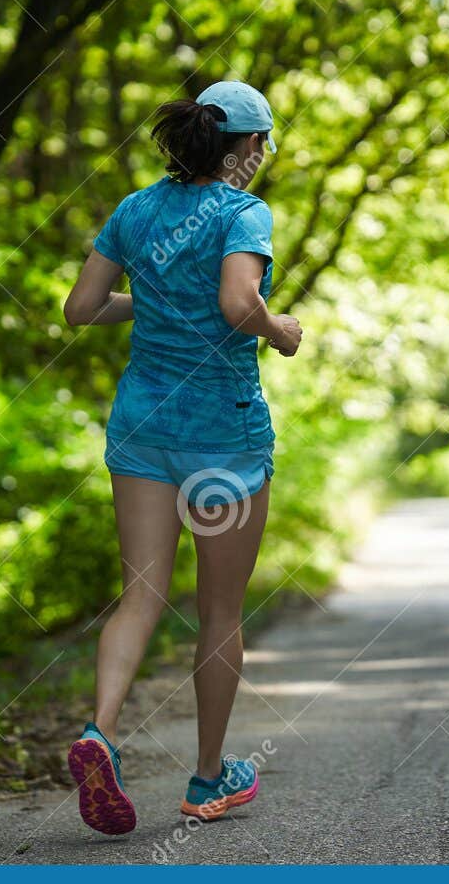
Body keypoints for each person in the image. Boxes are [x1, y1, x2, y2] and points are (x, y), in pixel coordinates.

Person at [61, 81, 301, 835]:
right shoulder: (242, 213)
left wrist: (158, 301)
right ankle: (206, 779)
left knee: (140, 593)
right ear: (248, 148)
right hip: (222, 437)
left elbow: (82, 308)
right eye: (262, 145)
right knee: (219, 610)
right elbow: (237, 303)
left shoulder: (136, 210)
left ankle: (99, 731)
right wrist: (278, 328)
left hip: (142, 430)